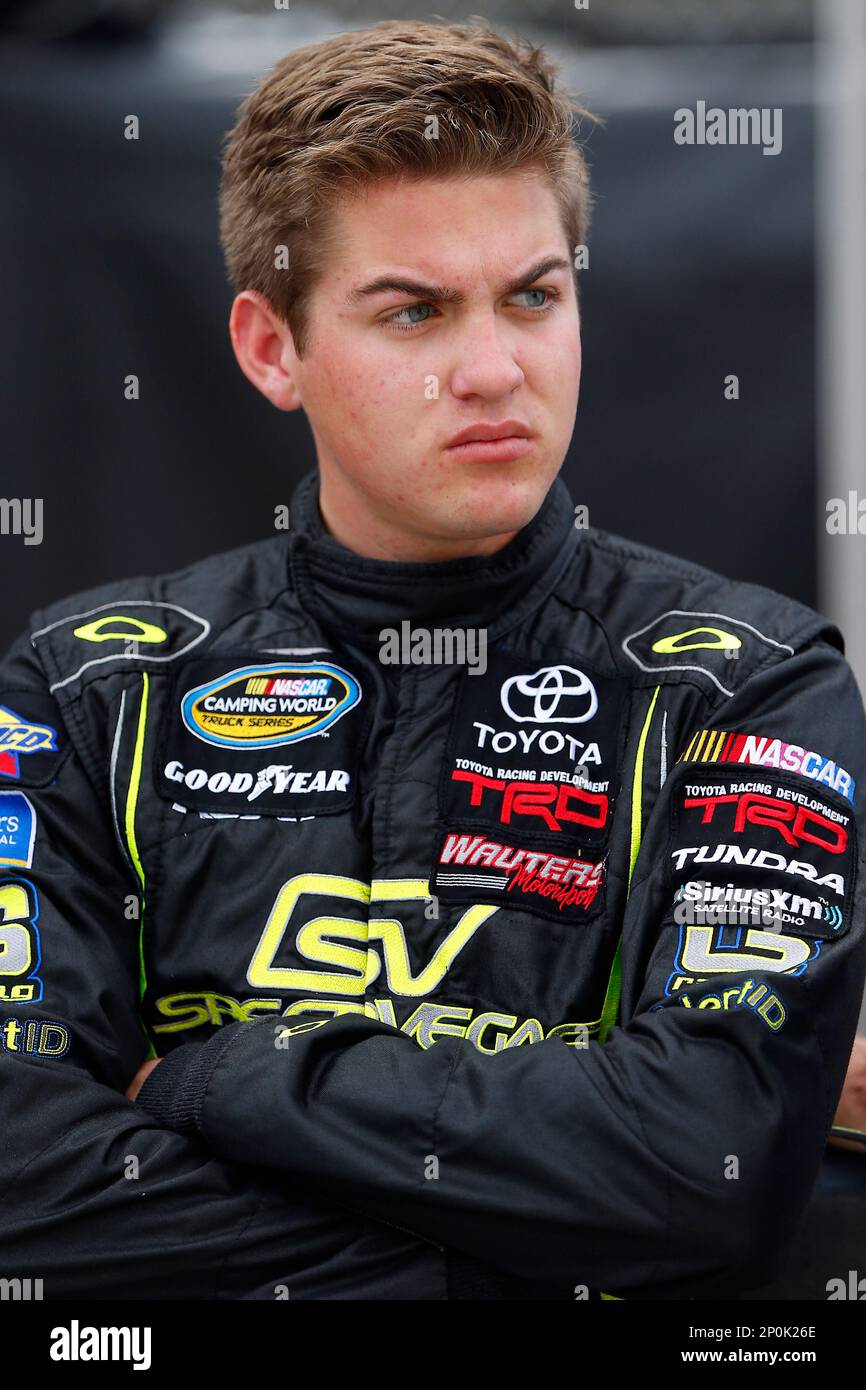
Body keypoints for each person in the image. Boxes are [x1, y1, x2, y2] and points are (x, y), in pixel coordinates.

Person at [1, 17, 864, 1302]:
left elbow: (708, 1168)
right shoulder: (88, 689)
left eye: (533, 297)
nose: (493, 368)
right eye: (413, 311)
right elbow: (25, 1177)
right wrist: (528, 1253)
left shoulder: (745, 682)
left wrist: (215, 1081)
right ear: (271, 348)